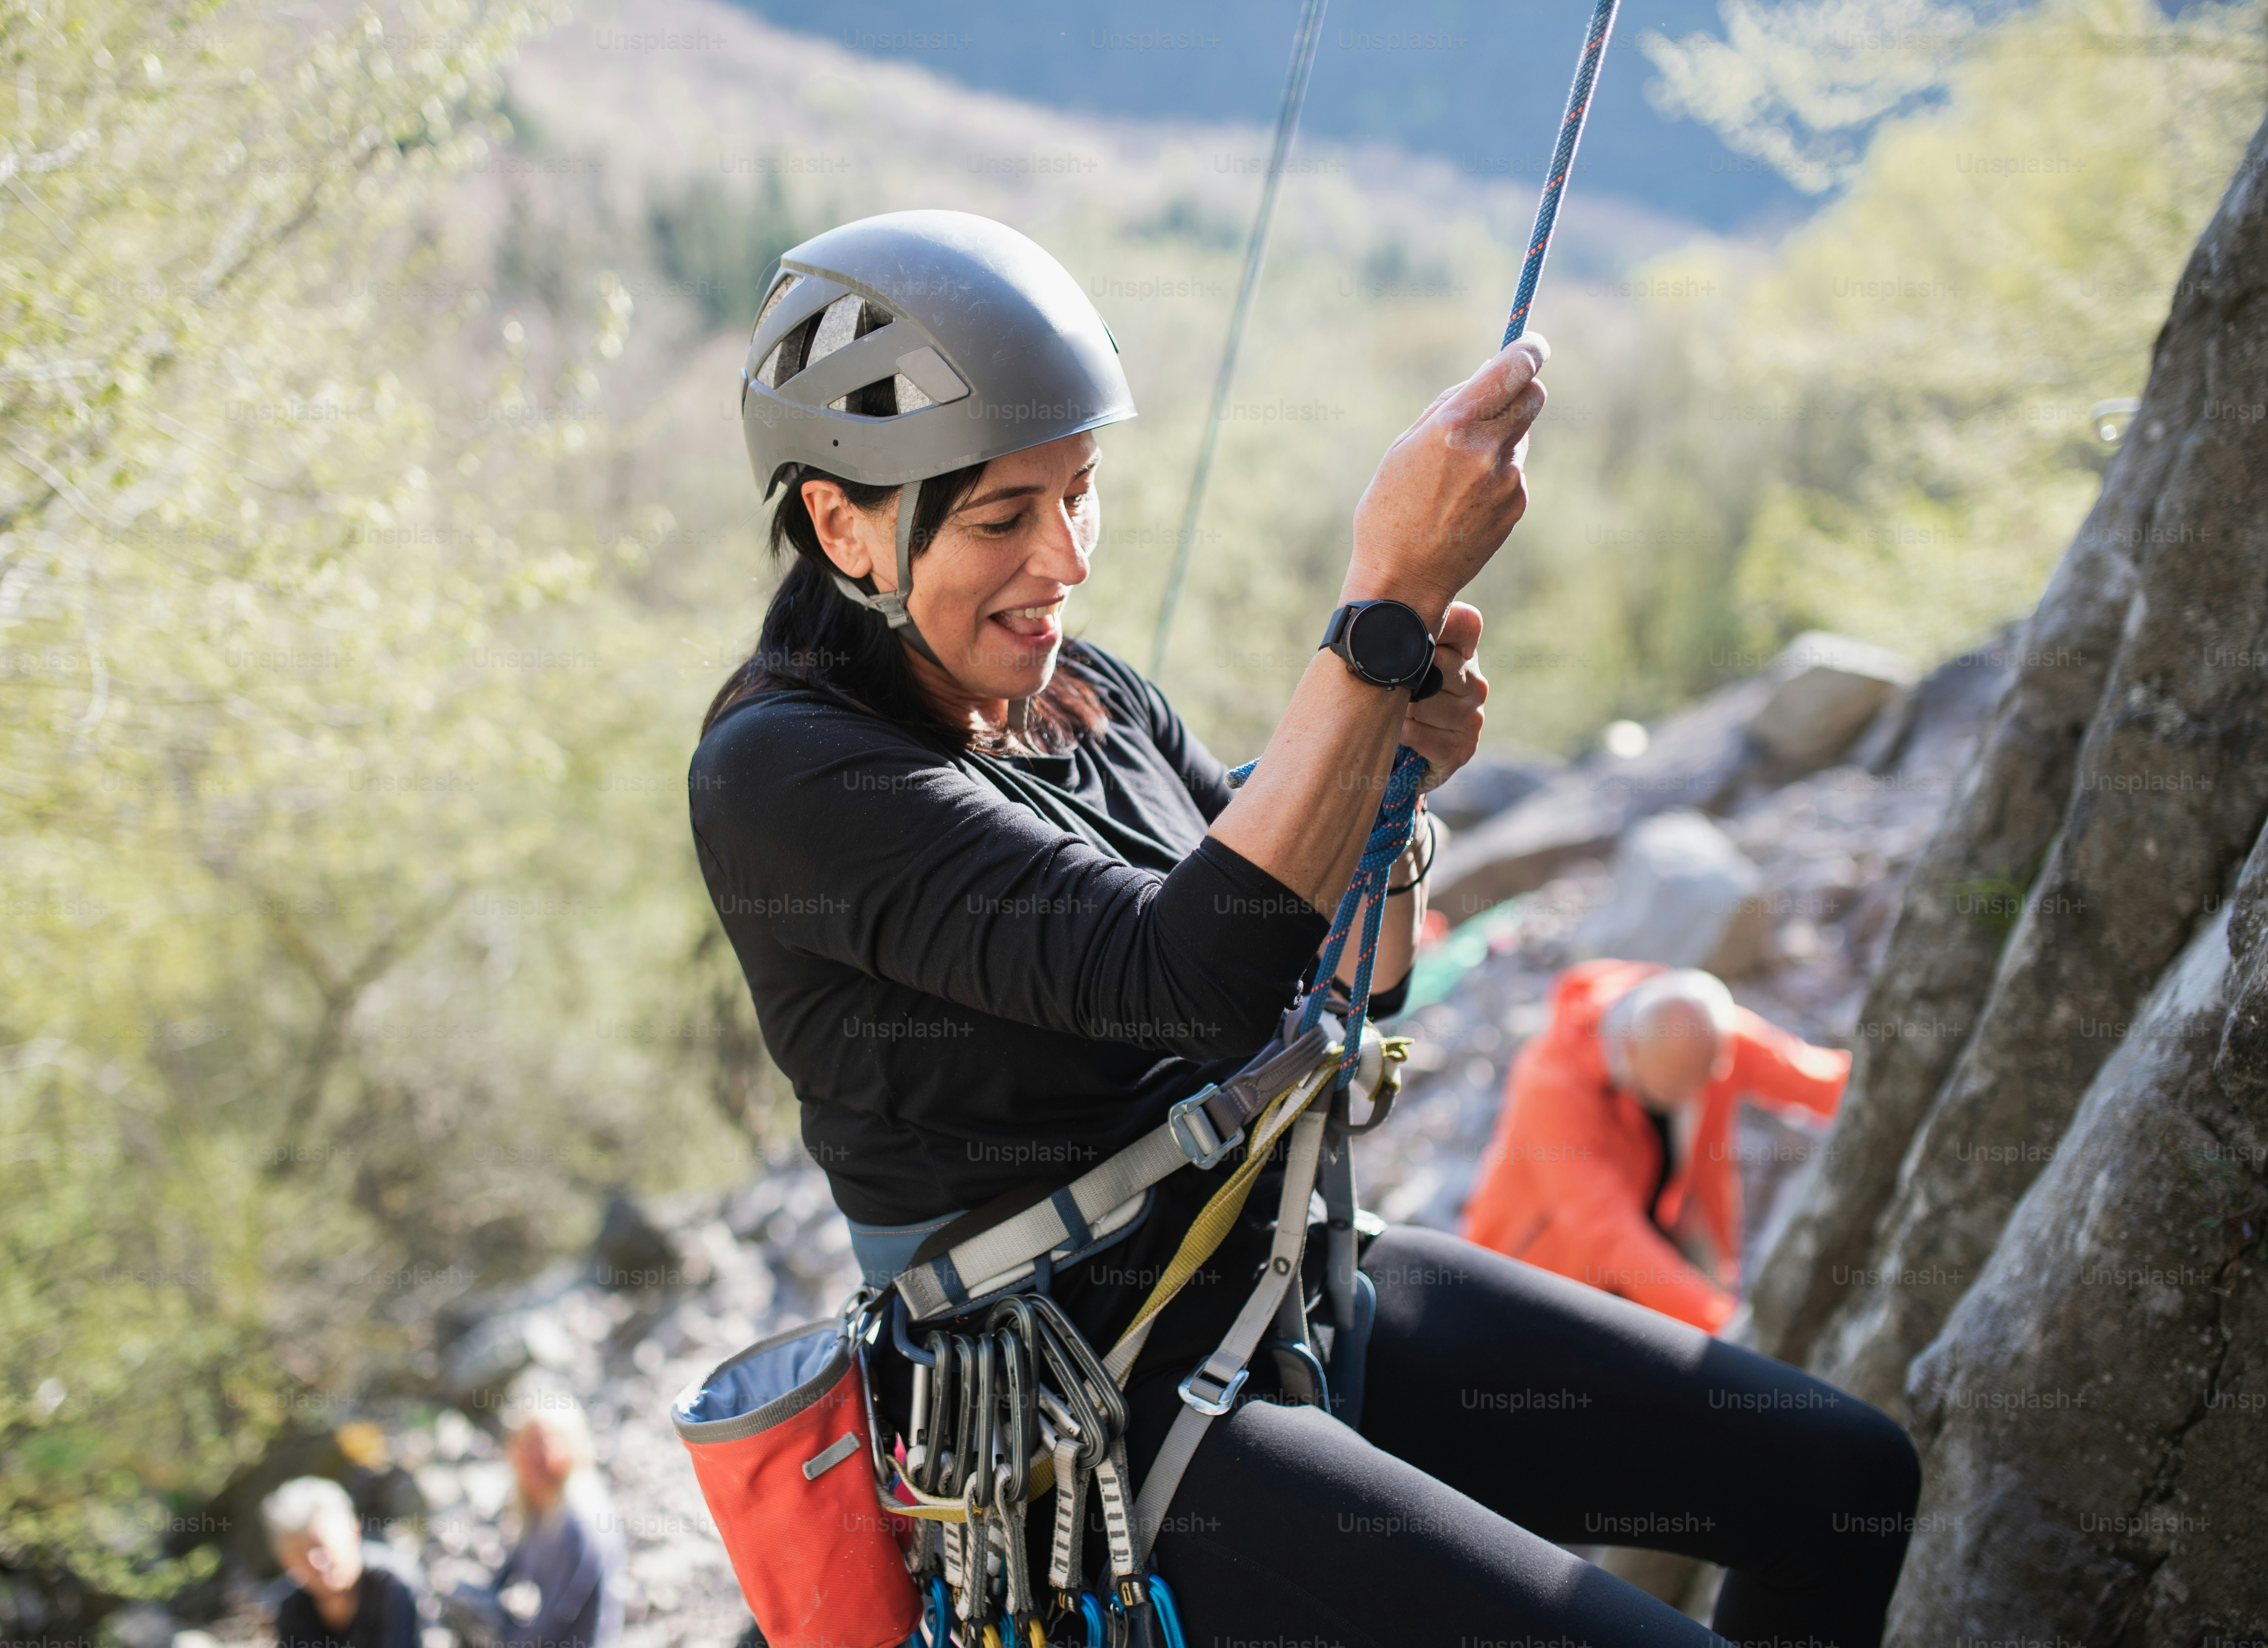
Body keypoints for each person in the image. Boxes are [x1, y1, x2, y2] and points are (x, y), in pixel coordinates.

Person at [690, 210, 1917, 1644]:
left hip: (1287, 1273)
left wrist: (1386, 784)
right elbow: (1181, 981)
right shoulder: (791, 773)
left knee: (1843, 1483)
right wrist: (1376, 608)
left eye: (1077, 493)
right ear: (840, 520)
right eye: (1000, 518)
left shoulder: (1086, 697)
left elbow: (1351, 978)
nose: (1063, 558)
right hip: (1099, 1406)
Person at [1462, 962, 1851, 1331]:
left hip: (1653, 1240)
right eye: (1669, 1091)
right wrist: (1724, 1329)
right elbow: (1604, 1228)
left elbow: (1819, 1080)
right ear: (1629, 1053)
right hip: (1537, 1278)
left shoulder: (1700, 1032)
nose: (1690, 1098)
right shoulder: (1552, 1083)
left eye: (1702, 1082)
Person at [446, 1399, 624, 1648]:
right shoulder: (538, 1512)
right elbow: (502, 1578)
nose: (534, 1455)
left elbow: (563, 1612)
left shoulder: (582, 1521)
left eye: (544, 1443)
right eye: (526, 1444)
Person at [263, 1476, 419, 1648]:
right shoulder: (293, 1611)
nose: (317, 1563)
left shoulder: (395, 1585)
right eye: (301, 1556)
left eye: (322, 1547)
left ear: (354, 1533)